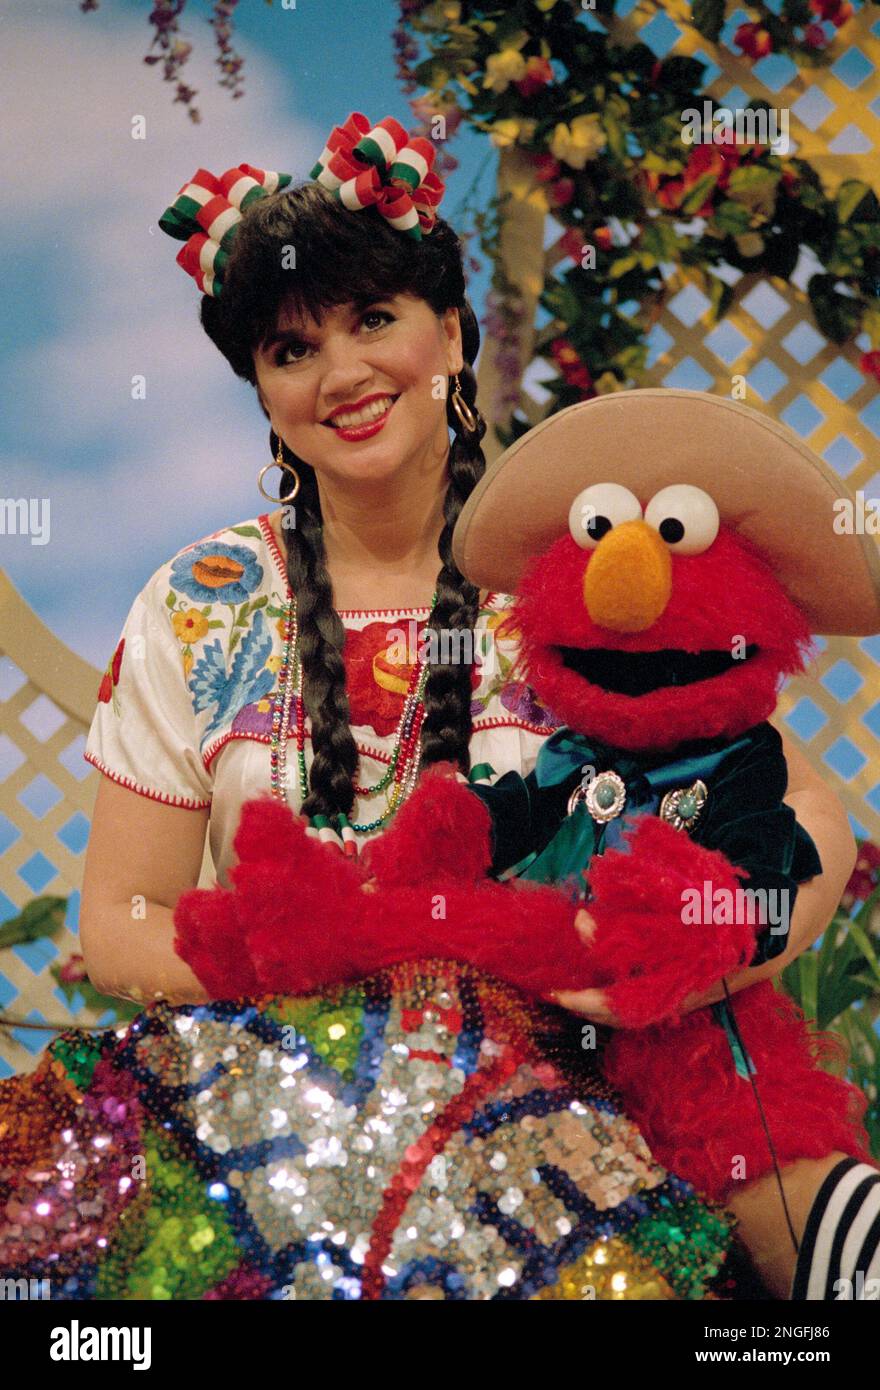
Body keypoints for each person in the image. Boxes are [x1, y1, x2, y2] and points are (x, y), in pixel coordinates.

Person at [0, 113, 861, 1301]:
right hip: (267, 1134)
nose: (341, 373)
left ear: (451, 332)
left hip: (574, 1116)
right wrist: (359, 983)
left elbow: (801, 809)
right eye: (291, 349)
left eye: (371, 320)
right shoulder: (198, 607)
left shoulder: (587, 573)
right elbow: (121, 917)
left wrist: (701, 949)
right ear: (261, 387)